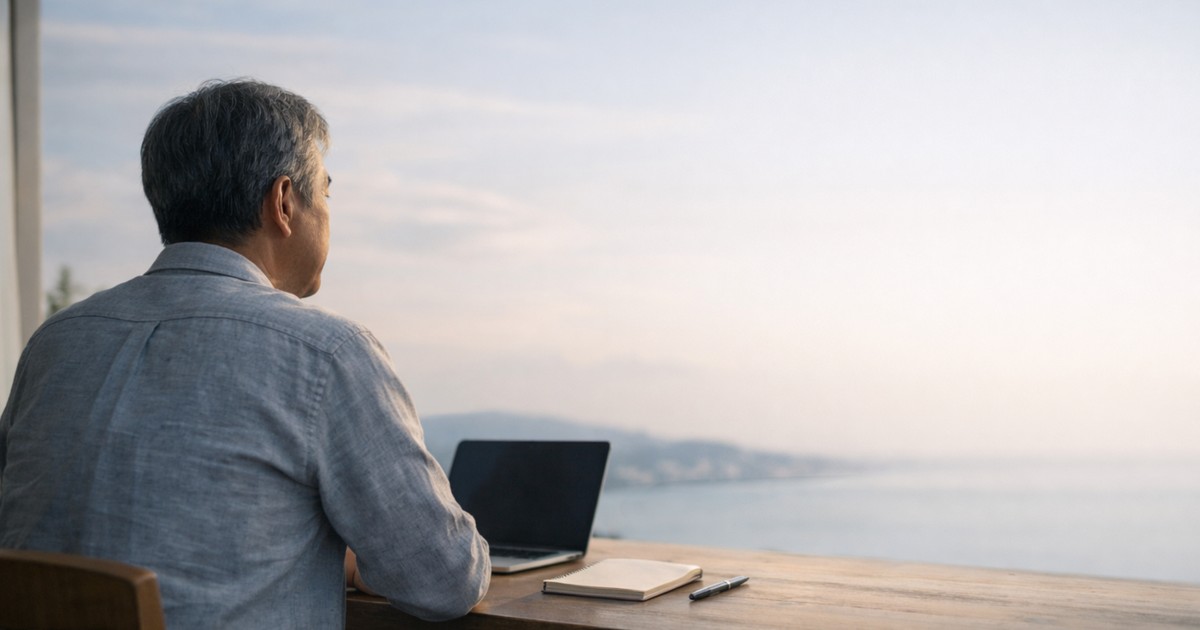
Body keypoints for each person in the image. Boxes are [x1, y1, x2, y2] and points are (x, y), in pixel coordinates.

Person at [0, 79, 490, 627]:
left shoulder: (57, 342)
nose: (329, 212)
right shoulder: (327, 354)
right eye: (326, 192)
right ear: (283, 203)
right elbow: (445, 579)